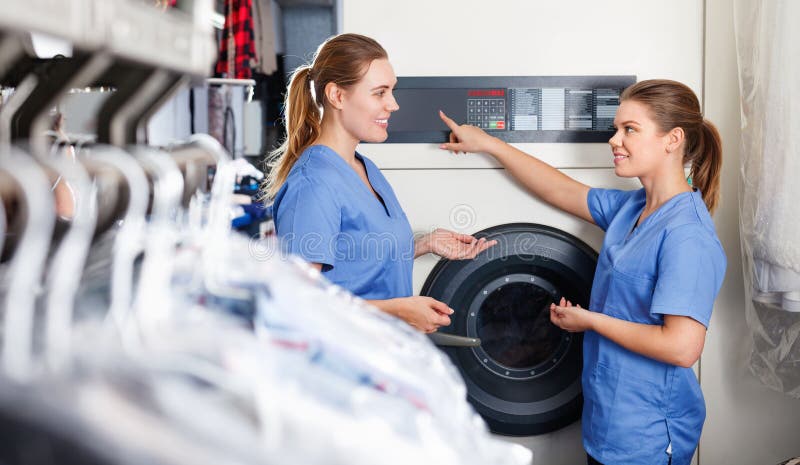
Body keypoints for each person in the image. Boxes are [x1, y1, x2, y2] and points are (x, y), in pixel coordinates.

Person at [438, 79, 726, 465]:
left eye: (629, 129)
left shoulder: (687, 235)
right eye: (615, 128)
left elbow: (681, 347)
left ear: (672, 139)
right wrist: (489, 144)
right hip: (607, 422)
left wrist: (590, 321)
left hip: (649, 433)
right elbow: (559, 190)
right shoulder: (633, 208)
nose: (614, 139)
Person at [266, 33, 495, 334]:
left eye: (392, 91)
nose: (394, 104)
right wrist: (398, 312)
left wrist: (423, 244)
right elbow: (297, 304)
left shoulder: (363, 166)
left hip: (384, 355)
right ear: (337, 96)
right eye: (380, 93)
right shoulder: (314, 184)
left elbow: (355, 259)